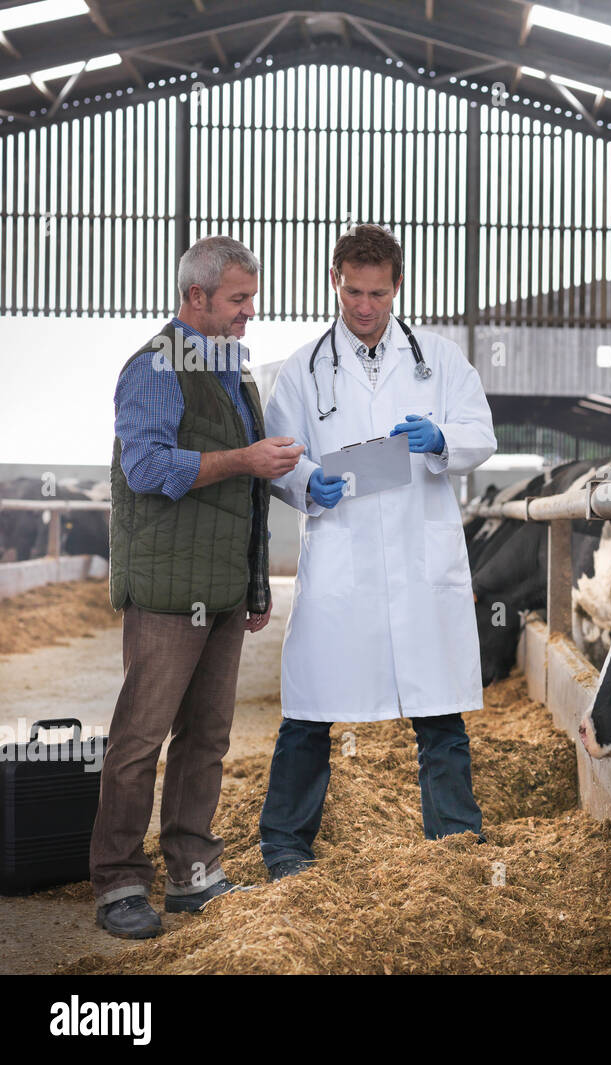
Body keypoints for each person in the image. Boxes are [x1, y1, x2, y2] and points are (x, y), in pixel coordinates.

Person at [258, 224, 497, 881]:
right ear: (334, 280)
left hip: (420, 563)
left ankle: (455, 842)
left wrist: (441, 434)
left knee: (438, 708)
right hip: (342, 561)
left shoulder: (439, 360)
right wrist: (308, 481)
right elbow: (276, 457)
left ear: (398, 287)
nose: (364, 306)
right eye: (353, 291)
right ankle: (284, 846)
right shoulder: (302, 371)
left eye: (378, 293)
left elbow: (481, 434)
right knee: (309, 711)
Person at [92, 236, 304, 939]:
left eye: (251, 297)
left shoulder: (234, 374)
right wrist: (245, 457)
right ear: (196, 298)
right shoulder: (154, 367)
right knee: (140, 736)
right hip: (164, 590)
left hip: (219, 590)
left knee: (207, 735)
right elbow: (147, 467)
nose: (250, 312)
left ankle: (191, 872)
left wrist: (254, 584)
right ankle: (119, 879)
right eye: (238, 299)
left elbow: (247, 492)